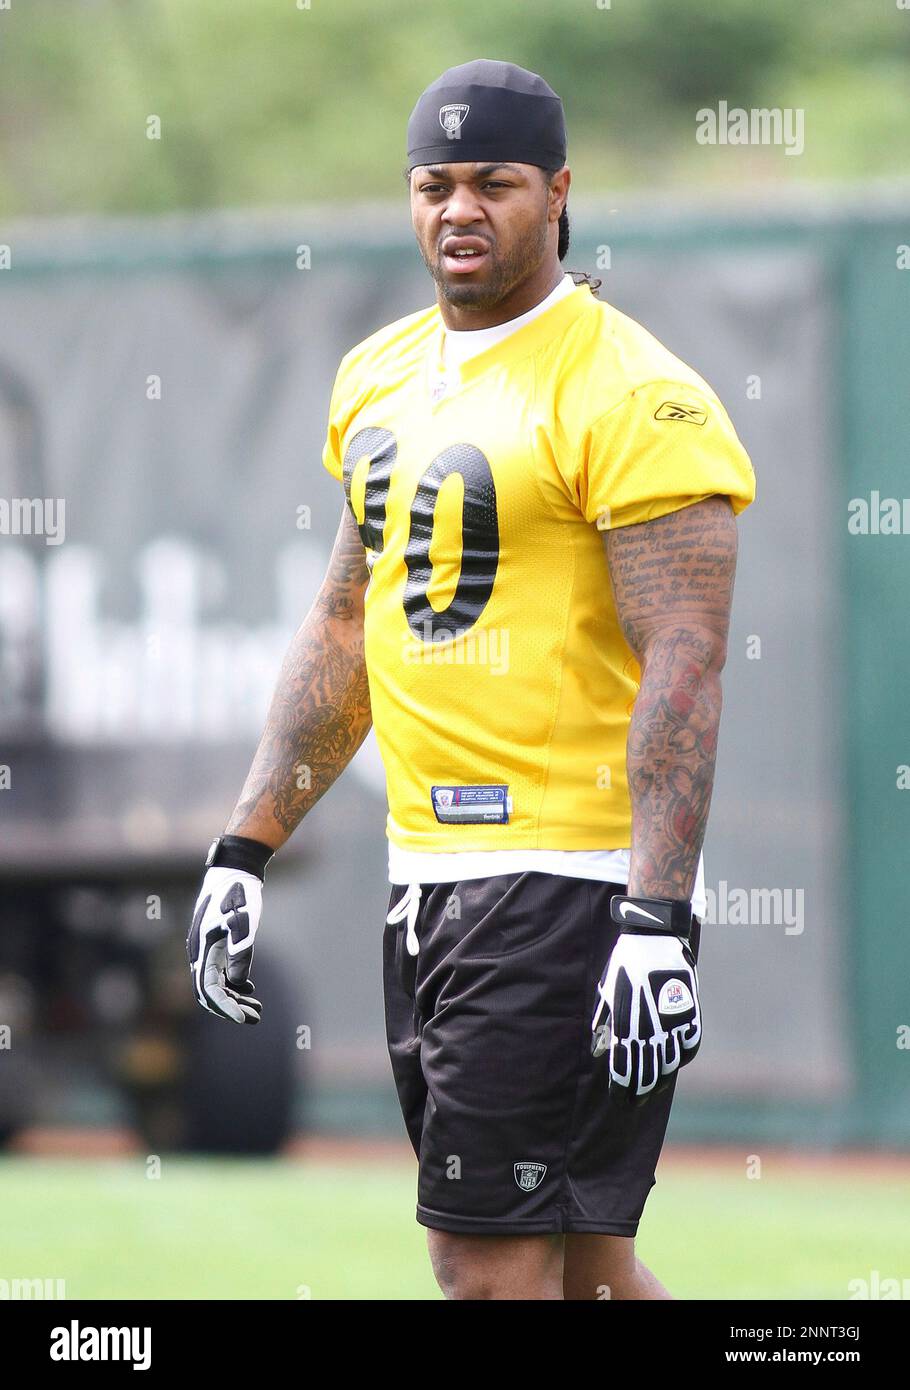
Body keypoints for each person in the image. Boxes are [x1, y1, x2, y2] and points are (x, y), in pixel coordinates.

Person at [187, 58, 756, 1300]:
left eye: (492, 182)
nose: (459, 208)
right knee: (586, 1262)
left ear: (556, 193)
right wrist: (246, 843)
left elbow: (686, 660)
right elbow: (346, 625)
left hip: (567, 885)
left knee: (485, 1264)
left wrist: (653, 919)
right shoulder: (380, 375)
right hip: (430, 876)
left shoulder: (630, 388)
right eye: (433, 183)